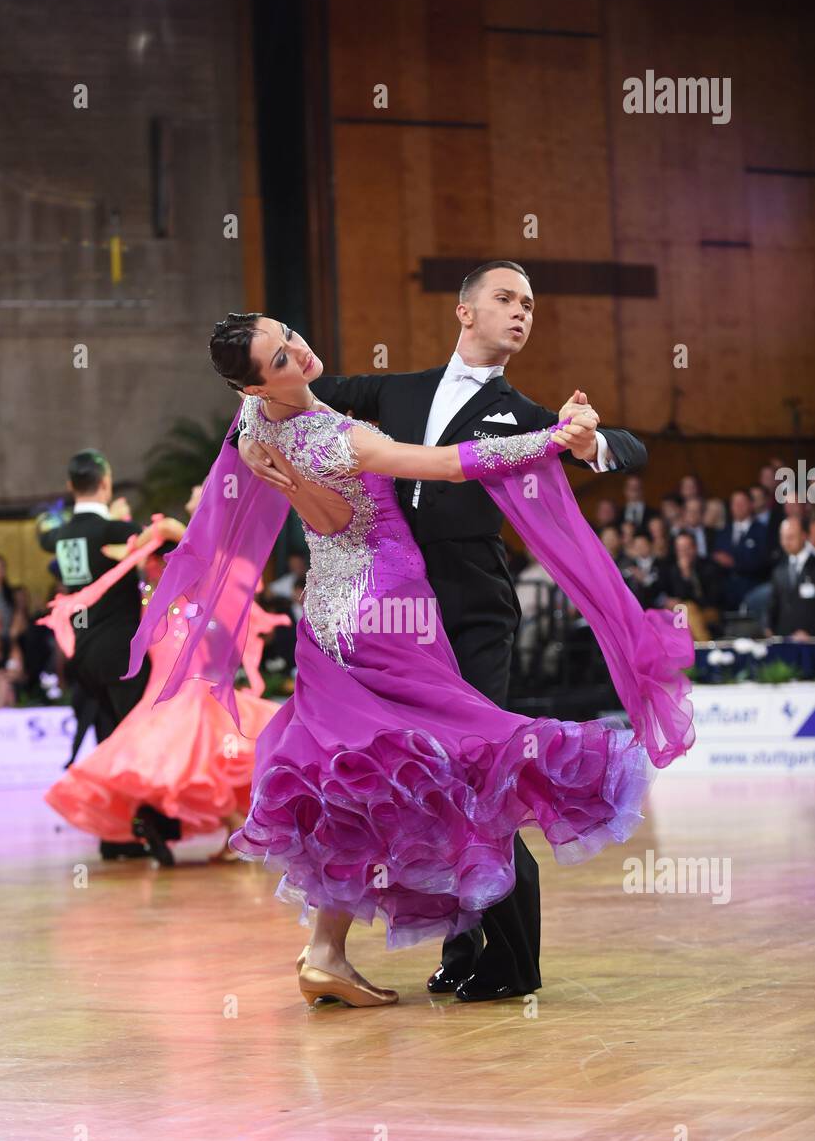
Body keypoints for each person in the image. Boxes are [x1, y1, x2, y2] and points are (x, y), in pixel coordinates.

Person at [124, 311, 694, 1009]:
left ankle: (326, 951)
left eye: (291, 336)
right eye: (279, 358)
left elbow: (320, 511)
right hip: (388, 605)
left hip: (327, 617)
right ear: (253, 384)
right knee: (458, 742)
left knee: (358, 769)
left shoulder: (253, 428)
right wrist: (548, 440)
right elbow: (450, 464)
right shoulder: (338, 436)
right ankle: (551, 801)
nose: (300, 354)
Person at [236, 263, 648, 1003]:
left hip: (466, 608)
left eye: (528, 304)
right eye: (504, 299)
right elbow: (291, 399)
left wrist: (584, 442)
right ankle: (456, 953)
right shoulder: (394, 390)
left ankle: (510, 961)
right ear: (464, 311)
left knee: (477, 774)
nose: (520, 313)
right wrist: (251, 443)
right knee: (417, 779)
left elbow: (626, 449)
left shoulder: (521, 411)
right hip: (385, 617)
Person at [45, 486, 285, 864]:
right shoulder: (194, 530)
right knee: (188, 730)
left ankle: (239, 826)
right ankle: (235, 829)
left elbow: (158, 536)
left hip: (182, 641)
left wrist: (124, 524)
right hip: (167, 640)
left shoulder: (203, 529)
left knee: (184, 728)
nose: (192, 490)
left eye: (199, 488)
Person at [37, 450, 180, 861]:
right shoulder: (117, 529)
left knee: (105, 741)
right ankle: (149, 822)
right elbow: (162, 540)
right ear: (106, 482)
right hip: (120, 653)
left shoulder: (61, 536)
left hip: (79, 656)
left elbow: (44, 530)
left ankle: (115, 835)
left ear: (70, 487)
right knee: (135, 739)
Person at [711, 489, 770, 612]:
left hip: (752, 591)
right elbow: (716, 560)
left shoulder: (762, 531)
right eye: (734, 503)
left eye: (742, 503)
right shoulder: (722, 533)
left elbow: (763, 562)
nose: (738, 507)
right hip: (725, 596)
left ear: (751, 505)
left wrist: (734, 563)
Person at [769, 519, 815, 639]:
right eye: (783, 537)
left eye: (791, 537)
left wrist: (811, 634)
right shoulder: (779, 570)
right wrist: (768, 628)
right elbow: (774, 605)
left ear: (804, 536)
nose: (786, 542)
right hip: (785, 641)